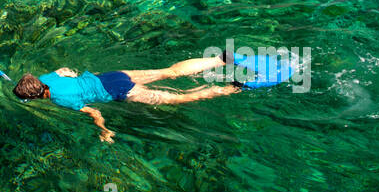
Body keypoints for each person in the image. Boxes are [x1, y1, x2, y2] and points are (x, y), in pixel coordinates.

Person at [12, 54, 239, 143]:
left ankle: (233, 88)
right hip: (113, 77)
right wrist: (72, 75)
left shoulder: (59, 100)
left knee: (176, 98)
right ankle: (221, 59)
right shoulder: (44, 78)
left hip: (121, 92)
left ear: (38, 95)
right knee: (169, 72)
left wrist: (104, 130)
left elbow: (94, 111)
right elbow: (63, 70)